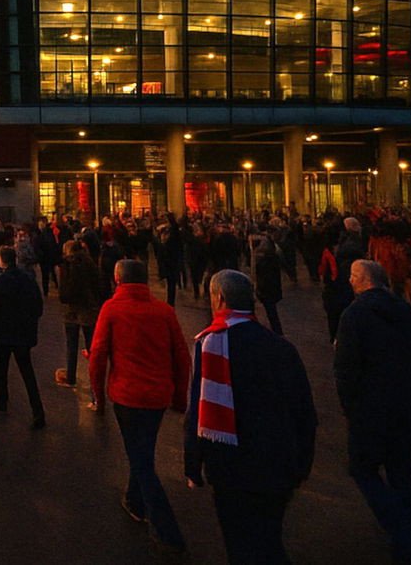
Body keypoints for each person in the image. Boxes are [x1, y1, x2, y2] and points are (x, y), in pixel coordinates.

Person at [184, 270, 317, 565]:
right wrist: (302, 462)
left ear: (219, 299)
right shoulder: (282, 347)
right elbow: (305, 412)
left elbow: (199, 410)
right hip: (278, 462)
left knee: (240, 543)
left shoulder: (212, 345)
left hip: (231, 467)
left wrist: (193, 463)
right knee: (269, 540)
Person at [334, 259, 411, 565]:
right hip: (406, 409)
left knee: (363, 470)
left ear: (364, 280)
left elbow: (346, 371)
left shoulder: (354, 315)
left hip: (371, 411)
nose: (349, 280)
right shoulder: (405, 311)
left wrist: (351, 408)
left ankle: (406, 535)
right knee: (402, 472)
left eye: (353, 276)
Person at [88, 259, 190, 555]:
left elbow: (98, 355)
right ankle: (133, 500)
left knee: (142, 461)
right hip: (157, 396)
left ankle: (167, 531)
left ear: (118, 280)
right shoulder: (164, 311)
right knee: (142, 449)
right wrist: (180, 397)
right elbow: (182, 357)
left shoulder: (112, 309)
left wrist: (99, 395)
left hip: (127, 395)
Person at [0, 243, 45, 429]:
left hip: (2, 334)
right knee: (27, 373)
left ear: (1, 260)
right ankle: (38, 412)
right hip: (23, 333)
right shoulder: (28, 279)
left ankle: (2, 401)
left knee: (0, 370)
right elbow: (38, 306)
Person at [54, 239, 103, 390]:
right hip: (88, 308)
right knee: (91, 346)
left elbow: (63, 292)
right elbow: (98, 284)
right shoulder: (89, 263)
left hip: (71, 309)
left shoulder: (66, 265)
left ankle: (71, 376)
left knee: (71, 344)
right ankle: (95, 379)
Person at [252, 237, 284, 336]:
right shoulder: (274, 257)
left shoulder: (263, 260)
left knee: (271, 311)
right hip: (272, 288)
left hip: (266, 289)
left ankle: (276, 330)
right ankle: (276, 329)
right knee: (271, 311)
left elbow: (261, 275)